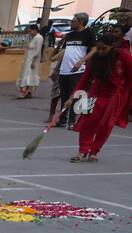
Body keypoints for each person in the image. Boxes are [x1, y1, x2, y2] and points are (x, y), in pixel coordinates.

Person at [68, 33, 132, 161]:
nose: (101, 51)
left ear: (112, 46)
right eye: (98, 48)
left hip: (115, 96)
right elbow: (84, 80)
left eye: (104, 48)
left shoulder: (123, 55)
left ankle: (94, 151)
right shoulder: (95, 58)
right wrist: (72, 97)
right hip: (94, 93)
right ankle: (83, 151)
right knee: (86, 122)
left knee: (106, 125)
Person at [53, 12, 94, 127]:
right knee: (64, 96)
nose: (71, 23)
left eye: (73, 21)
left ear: (80, 22)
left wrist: (82, 61)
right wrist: (57, 67)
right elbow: (65, 52)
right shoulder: (69, 35)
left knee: (76, 95)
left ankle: (72, 121)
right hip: (64, 70)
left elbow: (94, 49)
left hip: (78, 70)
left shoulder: (88, 33)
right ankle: (62, 120)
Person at [17, 24, 43, 98]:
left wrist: (34, 61)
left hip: (33, 60)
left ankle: (26, 91)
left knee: (30, 74)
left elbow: (38, 51)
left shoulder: (39, 38)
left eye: (30, 31)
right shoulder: (32, 38)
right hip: (28, 59)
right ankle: (28, 91)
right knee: (26, 74)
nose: (30, 32)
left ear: (35, 30)